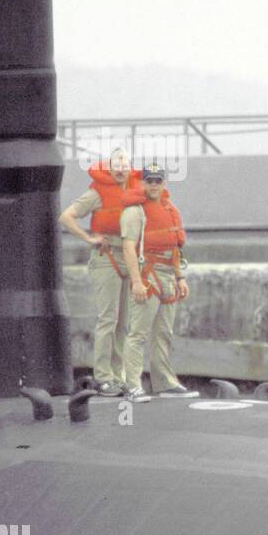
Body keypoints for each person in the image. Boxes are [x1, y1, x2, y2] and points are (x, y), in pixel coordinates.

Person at [57, 148, 141, 396]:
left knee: (124, 323)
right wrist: (89, 238)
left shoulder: (135, 190)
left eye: (125, 165)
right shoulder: (97, 192)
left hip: (129, 257)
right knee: (108, 319)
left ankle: (119, 376)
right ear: (109, 167)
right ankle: (104, 377)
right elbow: (66, 217)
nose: (121, 169)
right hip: (107, 258)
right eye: (116, 165)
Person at [119, 164, 194, 402]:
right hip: (148, 275)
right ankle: (132, 384)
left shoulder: (170, 209)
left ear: (163, 183)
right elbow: (128, 247)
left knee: (164, 332)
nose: (153, 185)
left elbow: (174, 248)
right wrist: (137, 281)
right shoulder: (135, 212)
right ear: (142, 183)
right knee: (138, 333)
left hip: (168, 276)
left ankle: (165, 383)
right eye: (149, 181)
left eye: (157, 181)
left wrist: (180, 277)